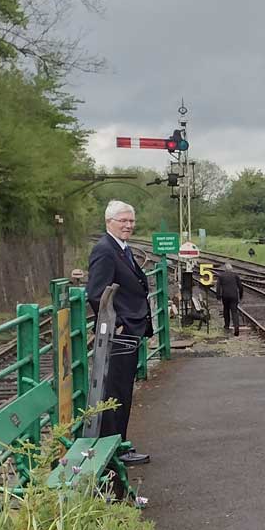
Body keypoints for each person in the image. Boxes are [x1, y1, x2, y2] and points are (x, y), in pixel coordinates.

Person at [84, 200, 152, 466]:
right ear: (109, 222)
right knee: (115, 391)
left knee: (121, 390)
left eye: (131, 221)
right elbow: (96, 293)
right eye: (123, 220)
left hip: (127, 332)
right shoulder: (105, 250)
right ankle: (114, 448)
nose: (128, 225)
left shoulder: (120, 248)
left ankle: (117, 444)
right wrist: (118, 323)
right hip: (118, 334)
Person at [216, 263, 245, 337]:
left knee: (226, 310)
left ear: (225, 269)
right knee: (234, 311)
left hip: (225, 296)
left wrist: (218, 297)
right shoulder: (235, 275)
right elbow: (240, 287)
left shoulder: (221, 276)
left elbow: (218, 287)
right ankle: (236, 327)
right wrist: (240, 296)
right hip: (234, 296)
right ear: (231, 269)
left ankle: (227, 326)